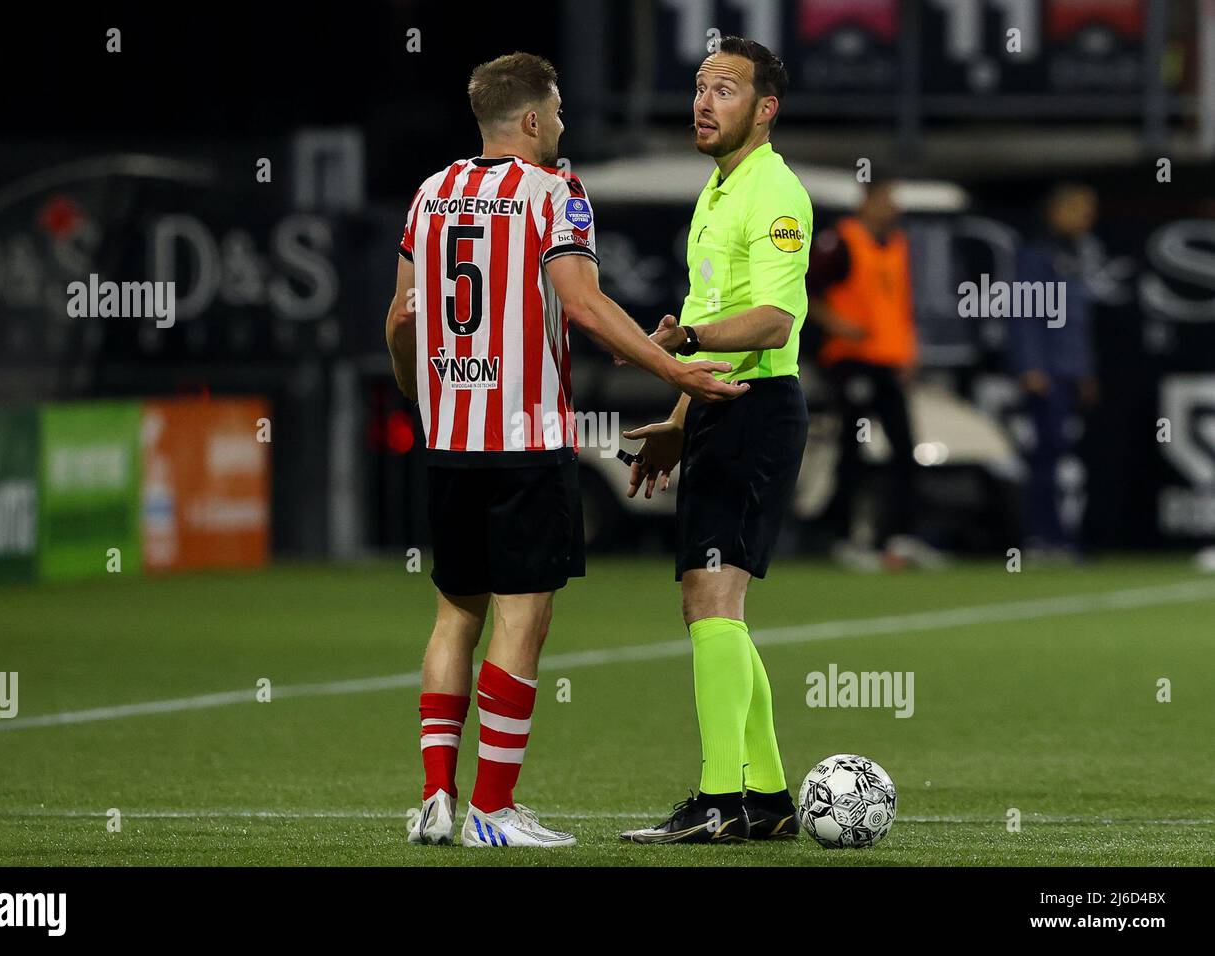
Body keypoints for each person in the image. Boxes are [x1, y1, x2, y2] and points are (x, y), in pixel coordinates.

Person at [385, 52, 742, 849]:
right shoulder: (555, 193)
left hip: (448, 441)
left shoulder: (430, 193)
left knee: (454, 615)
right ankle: (491, 811)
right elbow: (580, 302)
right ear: (534, 120)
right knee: (524, 617)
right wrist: (669, 367)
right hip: (525, 440)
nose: (564, 128)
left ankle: (436, 798)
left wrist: (422, 394)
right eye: (558, 113)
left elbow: (399, 323)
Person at [619, 37, 811, 844]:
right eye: (700, 87)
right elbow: (728, 337)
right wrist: (675, 421)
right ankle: (763, 797)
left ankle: (717, 802)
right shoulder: (718, 189)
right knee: (719, 604)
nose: (703, 102)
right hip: (722, 410)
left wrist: (686, 340)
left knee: (711, 599)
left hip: (757, 412)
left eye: (725, 90)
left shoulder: (775, 192)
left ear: (765, 109)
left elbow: (772, 320)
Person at [807, 180, 940, 571]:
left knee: (904, 449)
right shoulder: (841, 241)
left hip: (888, 362)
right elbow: (807, 290)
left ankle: (899, 538)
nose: (892, 207)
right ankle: (847, 539)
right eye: (885, 199)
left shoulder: (897, 244)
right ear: (866, 201)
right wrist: (836, 324)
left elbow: (900, 305)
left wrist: (908, 352)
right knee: (853, 449)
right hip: (852, 361)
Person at [1007, 182, 1099, 557]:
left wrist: (1085, 370)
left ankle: (1061, 535)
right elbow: (1024, 315)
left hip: (1069, 371)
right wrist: (1031, 366)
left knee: (1064, 458)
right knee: (1046, 457)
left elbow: (1077, 321)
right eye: (1078, 208)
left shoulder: (1077, 254)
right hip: (1047, 374)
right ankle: (1042, 537)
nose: (1087, 217)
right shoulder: (1036, 256)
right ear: (1056, 212)